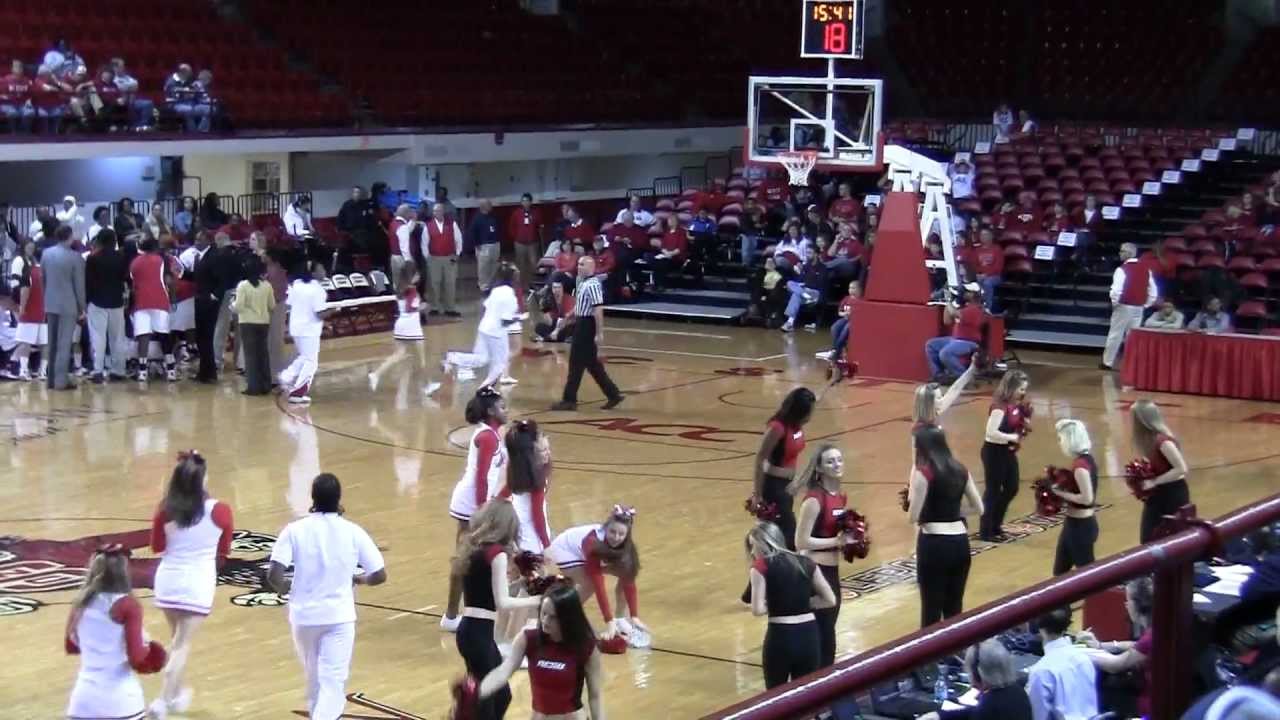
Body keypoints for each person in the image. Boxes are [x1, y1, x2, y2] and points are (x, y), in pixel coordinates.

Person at [267, 473, 387, 720]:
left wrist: (286, 591)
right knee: (333, 683)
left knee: (314, 681)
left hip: (303, 618)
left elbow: (274, 575)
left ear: (312, 497)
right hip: (338, 618)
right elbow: (379, 574)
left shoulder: (294, 530)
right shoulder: (353, 532)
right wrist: (359, 579)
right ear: (339, 498)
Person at [148, 451, 234, 718]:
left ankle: (175, 695)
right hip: (197, 583)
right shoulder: (220, 510)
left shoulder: (165, 510)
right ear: (203, 479)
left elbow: (156, 547)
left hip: (168, 581)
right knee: (181, 645)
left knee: (177, 642)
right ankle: (161, 702)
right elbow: (224, 551)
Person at [452, 500, 542, 720]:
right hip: (478, 634)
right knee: (489, 699)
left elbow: (489, 592)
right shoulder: (497, 553)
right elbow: (503, 603)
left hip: (472, 631)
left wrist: (520, 584)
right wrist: (537, 600)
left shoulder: (475, 549)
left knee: (500, 694)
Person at [64, 545, 168, 720]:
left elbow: (72, 645)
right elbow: (137, 658)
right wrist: (153, 652)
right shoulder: (128, 605)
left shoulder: (79, 603)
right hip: (120, 703)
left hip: (83, 702)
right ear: (124, 571)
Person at [477, 583, 607, 720]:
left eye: (553, 617)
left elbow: (595, 696)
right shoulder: (528, 639)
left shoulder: (586, 647)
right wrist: (478, 692)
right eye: (543, 613)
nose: (545, 621)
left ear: (567, 618)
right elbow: (503, 671)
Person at [441, 387, 510, 632]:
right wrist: (484, 509)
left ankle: (468, 613)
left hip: (477, 500)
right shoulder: (488, 437)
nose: (507, 410)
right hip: (472, 502)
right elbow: (481, 477)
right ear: (491, 411)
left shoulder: (492, 433)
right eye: (502, 407)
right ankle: (451, 616)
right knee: (464, 559)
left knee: (476, 558)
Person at [746, 521, 835, 689]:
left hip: (781, 637)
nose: (752, 552)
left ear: (765, 543)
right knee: (806, 696)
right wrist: (802, 602)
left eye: (753, 546)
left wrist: (775, 603)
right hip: (809, 636)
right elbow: (830, 599)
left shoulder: (760, 566)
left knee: (776, 697)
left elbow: (757, 609)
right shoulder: (806, 562)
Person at [909, 425, 984, 627]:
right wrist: (953, 513)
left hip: (934, 545)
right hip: (960, 544)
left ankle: (930, 658)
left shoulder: (924, 473)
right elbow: (979, 508)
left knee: (931, 611)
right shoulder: (961, 469)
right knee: (954, 608)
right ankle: (956, 655)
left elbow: (913, 516)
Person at [546, 506, 646, 640]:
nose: (616, 537)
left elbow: (629, 579)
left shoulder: (627, 546)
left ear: (627, 535)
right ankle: (566, 615)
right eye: (612, 532)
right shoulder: (593, 542)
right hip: (565, 550)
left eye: (621, 534)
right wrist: (608, 621)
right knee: (589, 584)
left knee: (625, 571)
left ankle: (621, 619)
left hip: (585, 553)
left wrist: (634, 616)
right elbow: (598, 584)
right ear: (606, 528)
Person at [790, 444, 849, 668]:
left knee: (828, 633)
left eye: (839, 459)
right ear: (820, 469)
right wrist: (837, 542)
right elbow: (801, 542)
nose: (837, 465)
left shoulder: (840, 497)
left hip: (833, 572)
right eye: (830, 461)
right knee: (822, 636)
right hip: (816, 575)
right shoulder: (814, 499)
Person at [551, 255, 624, 411]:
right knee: (592, 365)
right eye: (578, 264)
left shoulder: (593, 284)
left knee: (575, 363)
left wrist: (599, 333)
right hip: (581, 322)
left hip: (587, 325)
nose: (579, 267)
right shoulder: (582, 282)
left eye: (582, 264)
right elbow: (580, 306)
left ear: (591, 267)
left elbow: (598, 309)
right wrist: (567, 318)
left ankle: (569, 400)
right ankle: (613, 394)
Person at [1079, 577, 1155, 718]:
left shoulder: (1151, 637)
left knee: (1107, 686)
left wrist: (1078, 653)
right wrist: (1101, 645)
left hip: (1151, 706)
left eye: (1128, 601)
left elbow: (1115, 664)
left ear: (1138, 605)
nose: (1126, 605)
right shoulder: (1157, 626)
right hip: (1160, 695)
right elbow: (1136, 646)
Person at [751, 387, 815, 556]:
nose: (812, 415)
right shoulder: (778, 428)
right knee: (788, 535)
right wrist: (757, 495)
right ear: (799, 411)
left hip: (787, 488)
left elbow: (817, 399)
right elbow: (760, 458)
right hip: (774, 488)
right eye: (809, 412)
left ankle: (770, 574)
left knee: (781, 537)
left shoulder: (797, 425)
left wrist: (832, 381)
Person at [367, 261, 443, 397]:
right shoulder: (412, 289)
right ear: (412, 274)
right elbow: (411, 308)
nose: (419, 276)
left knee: (399, 354)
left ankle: (376, 374)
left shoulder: (400, 288)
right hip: (411, 326)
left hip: (400, 324)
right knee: (422, 358)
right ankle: (427, 385)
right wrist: (423, 307)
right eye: (417, 273)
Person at [444, 263, 521, 387]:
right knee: (500, 365)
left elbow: (486, 307)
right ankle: (483, 389)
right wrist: (518, 318)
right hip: (496, 333)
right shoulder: (510, 295)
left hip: (484, 328)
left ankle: (453, 357)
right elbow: (505, 321)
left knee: (481, 359)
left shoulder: (495, 289)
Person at [919, 639, 1033, 720]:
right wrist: (941, 715)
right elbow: (974, 712)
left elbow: (981, 713)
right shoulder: (1017, 691)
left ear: (979, 674)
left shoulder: (989, 705)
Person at [979, 370, 1030, 541]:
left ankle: (996, 524)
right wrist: (1011, 437)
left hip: (1007, 451)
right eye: (1021, 389)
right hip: (993, 452)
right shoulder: (999, 407)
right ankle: (986, 530)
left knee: (1012, 487)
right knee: (993, 491)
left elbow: (1016, 425)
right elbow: (990, 433)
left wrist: (1023, 428)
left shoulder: (1016, 405)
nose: (1023, 392)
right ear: (1012, 388)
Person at [1132, 399, 1190, 543]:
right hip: (1157, 494)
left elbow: (1181, 469)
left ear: (1142, 420)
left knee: (1174, 539)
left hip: (1173, 494)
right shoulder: (1147, 440)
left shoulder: (1163, 442)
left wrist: (1154, 481)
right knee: (1148, 539)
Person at [1026, 607, 1099, 720]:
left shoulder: (1041, 671)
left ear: (1041, 629)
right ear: (1065, 628)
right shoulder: (1084, 658)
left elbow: (1038, 717)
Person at [279, 260, 332, 405]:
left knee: (304, 356)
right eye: (321, 268)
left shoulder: (296, 284)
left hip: (296, 327)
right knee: (311, 361)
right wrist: (335, 310)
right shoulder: (318, 290)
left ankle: (286, 376)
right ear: (313, 273)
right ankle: (297, 393)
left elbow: (289, 304)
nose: (324, 271)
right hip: (309, 330)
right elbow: (320, 314)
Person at [1051, 419, 1100, 575]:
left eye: (1061, 439)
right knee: (1059, 572)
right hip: (1072, 524)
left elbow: (1087, 499)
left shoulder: (1080, 466)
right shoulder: (1086, 459)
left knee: (1087, 576)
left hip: (1081, 527)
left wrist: (1059, 493)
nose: (1060, 443)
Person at [41, 225, 86, 390]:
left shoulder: (46, 253)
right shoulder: (75, 257)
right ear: (70, 236)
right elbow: (79, 286)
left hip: (50, 303)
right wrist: (83, 307)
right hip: (68, 304)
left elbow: (43, 279)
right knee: (64, 343)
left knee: (52, 342)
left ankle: (50, 380)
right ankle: (61, 381)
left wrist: (46, 299)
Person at [1102, 242, 1158, 370]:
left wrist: (1116, 304)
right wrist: (1146, 304)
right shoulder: (1146, 269)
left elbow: (1116, 290)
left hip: (1124, 305)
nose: (1119, 253)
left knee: (1115, 334)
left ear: (1128, 253)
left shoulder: (1122, 269)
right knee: (1133, 336)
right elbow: (1153, 291)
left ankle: (1108, 362)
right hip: (1139, 307)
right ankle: (1132, 364)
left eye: (1121, 251)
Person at [130, 237, 178, 383]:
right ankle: (171, 370)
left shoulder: (135, 262)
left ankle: (142, 371)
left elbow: (133, 282)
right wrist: (173, 298)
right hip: (160, 300)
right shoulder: (161, 260)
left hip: (141, 301)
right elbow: (169, 281)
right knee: (164, 334)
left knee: (143, 335)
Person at [84, 229, 129, 383]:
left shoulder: (92, 258)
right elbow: (125, 278)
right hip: (117, 301)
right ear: (114, 240)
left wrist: (86, 301)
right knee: (117, 338)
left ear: (100, 240)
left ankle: (98, 371)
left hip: (97, 302)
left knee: (98, 337)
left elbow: (88, 283)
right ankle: (119, 370)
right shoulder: (121, 257)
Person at [233, 255, 276, 396]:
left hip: (247, 323)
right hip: (263, 323)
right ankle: (266, 384)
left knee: (250, 356)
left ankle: (253, 386)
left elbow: (238, 307)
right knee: (263, 354)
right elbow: (272, 305)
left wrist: (231, 305)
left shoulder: (243, 286)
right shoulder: (267, 285)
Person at [925, 283, 987, 382]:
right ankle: (939, 375)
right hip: (955, 339)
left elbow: (955, 314)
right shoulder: (963, 307)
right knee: (931, 345)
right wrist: (949, 303)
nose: (964, 293)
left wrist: (949, 301)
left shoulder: (976, 309)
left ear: (974, 295)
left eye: (967, 292)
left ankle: (964, 378)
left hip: (969, 342)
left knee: (945, 353)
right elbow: (947, 321)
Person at [422, 201, 463, 317]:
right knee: (434, 284)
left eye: (439, 210)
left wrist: (458, 254)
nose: (437, 213)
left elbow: (459, 240)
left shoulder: (452, 224)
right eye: (435, 211)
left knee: (450, 284)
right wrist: (427, 258)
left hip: (449, 258)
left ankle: (450, 308)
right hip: (434, 259)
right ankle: (434, 307)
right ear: (433, 213)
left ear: (443, 211)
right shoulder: (428, 226)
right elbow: (424, 244)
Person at [12, 242, 46, 380]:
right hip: (44, 312)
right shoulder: (46, 273)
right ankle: (43, 372)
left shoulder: (29, 272)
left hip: (30, 311)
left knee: (25, 341)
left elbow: (24, 290)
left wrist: (22, 307)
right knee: (45, 343)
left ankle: (23, 371)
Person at [817, 279, 860, 363]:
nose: (850, 290)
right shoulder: (846, 299)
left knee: (845, 330)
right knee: (835, 327)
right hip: (845, 318)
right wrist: (844, 314)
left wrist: (853, 314)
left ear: (859, 289)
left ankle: (836, 351)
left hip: (854, 321)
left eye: (853, 288)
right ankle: (836, 349)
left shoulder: (861, 300)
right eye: (850, 288)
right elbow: (839, 312)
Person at [470, 199, 502, 291]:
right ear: (483, 206)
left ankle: (491, 283)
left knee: (494, 265)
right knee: (483, 267)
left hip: (495, 244)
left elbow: (498, 228)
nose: (491, 206)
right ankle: (483, 285)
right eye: (489, 204)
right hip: (484, 246)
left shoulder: (493, 216)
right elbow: (472, 232)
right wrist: (477, 244)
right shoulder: (477, 218)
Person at [534, 278, 575, 343]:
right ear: (552, 289)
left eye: (559, 287)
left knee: (569, 329)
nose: (557, 290)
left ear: (562, 289)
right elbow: (550, 322)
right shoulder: (550, 299)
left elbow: (565, 319)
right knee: (538, 327)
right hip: (557, 323)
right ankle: (553, 338)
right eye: (555, 287)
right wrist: (545, 310)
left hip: (568, 323)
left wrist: (556, 331)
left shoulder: (568, 299)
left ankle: (547, 338)